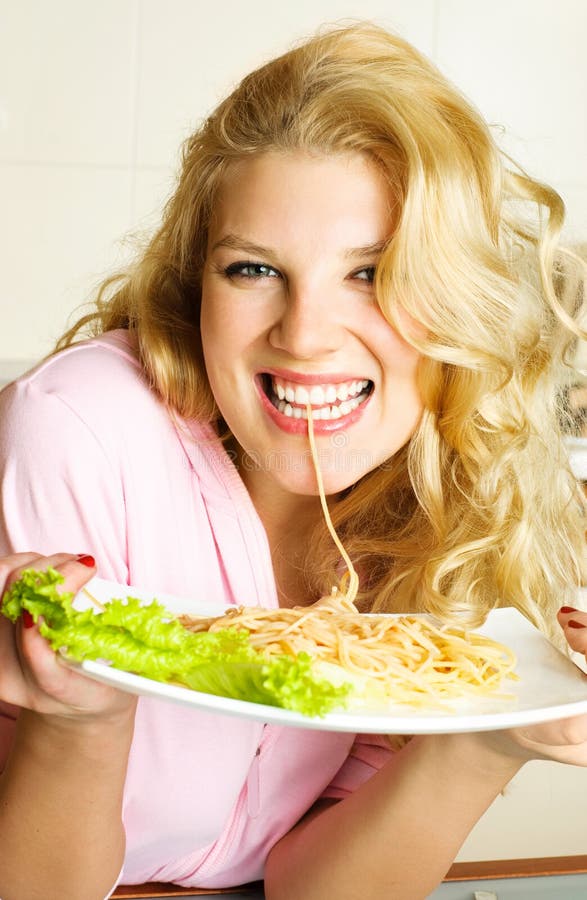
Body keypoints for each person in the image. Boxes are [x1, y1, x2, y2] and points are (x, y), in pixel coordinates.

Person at [1, 20, 586, 900]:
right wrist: (74, 725)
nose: (304, 336)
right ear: (196, 278)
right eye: (252, 270)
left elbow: (312, 888)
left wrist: (492, 740)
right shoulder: (81, 426)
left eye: (370, 272)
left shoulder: (445, 489)